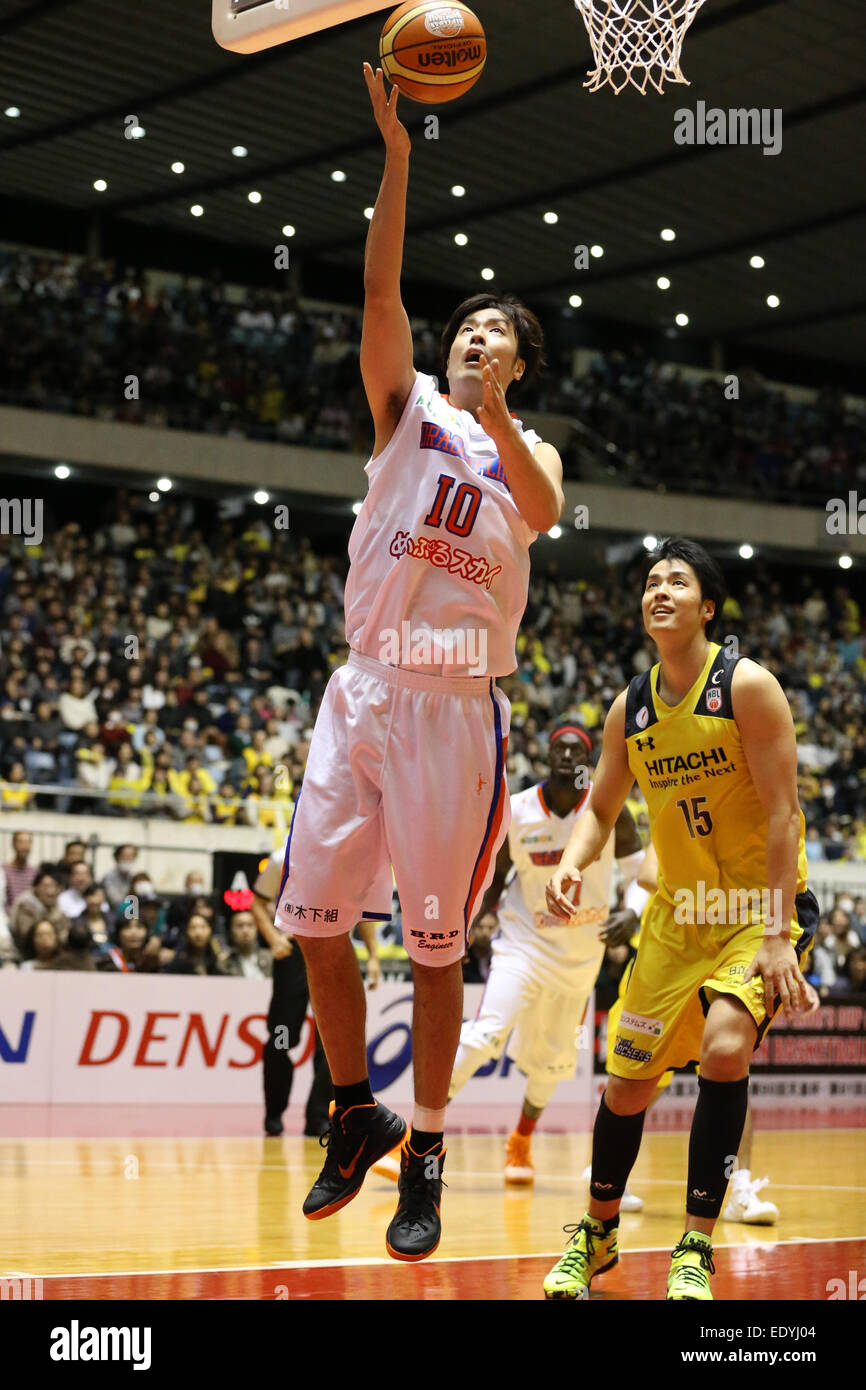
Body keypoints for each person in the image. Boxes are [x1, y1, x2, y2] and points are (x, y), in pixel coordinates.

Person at [273, 63, 564, 1262]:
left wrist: (498, 416)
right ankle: (354, 1108)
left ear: (520, 364)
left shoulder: (519, 447)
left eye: (493, 332)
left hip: (457, 709)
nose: (471, 337)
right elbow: (381, 282)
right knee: (311, 921)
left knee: (434, 946)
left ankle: (429, 1149)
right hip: (365, 690)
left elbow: (539, 513)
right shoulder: (404, 413)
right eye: (465, 329)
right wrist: (396, 151)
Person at [542, 538, 818, 1300]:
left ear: (708, 608)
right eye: (651, 581)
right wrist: (572, 859)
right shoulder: (629, 707)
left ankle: (695, 1246)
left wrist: (774, 931)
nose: (659, 590)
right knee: (628, 1087)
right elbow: (600, 807)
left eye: (678, 581)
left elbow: (785, 816)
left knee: (726, 1047)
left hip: (749, 912)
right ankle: (596, 1238)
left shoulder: (749, 688)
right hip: (676, 918)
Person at [444, 724, 644, 1195]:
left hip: (582, 953)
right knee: (488, 1033)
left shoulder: (612, 809)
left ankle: (520, 1141)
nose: (568, 755)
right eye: (560, 747)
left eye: (578, 749)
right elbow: (495, 879)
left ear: (589, 761)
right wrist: (468, 924)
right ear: (547, 756)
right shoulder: (518, 811)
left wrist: (632, 912)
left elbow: (643, 876)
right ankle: (417, 1134)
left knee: (551, 1063)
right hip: (523, 941)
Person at [601, 840, 820, 1225]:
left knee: (730, 1066)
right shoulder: (682, 804)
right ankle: (605, 1176)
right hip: (671, 953)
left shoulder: (750, 813)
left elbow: (788, 878)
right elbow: (648, 874)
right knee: (639, 1084)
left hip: (732, 946)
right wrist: (716, 886)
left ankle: (739, 1186)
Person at [250, 848, 334, 1139]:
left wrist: (373, 955)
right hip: (293, 953)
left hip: (333, 951)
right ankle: (274, 1113)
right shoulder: (281, 856)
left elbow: (363, 912)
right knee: (281, 1037)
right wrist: (273, 939)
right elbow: (257, 903)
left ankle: (319, 1117)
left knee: (334, 1041)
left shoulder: (344, 849)